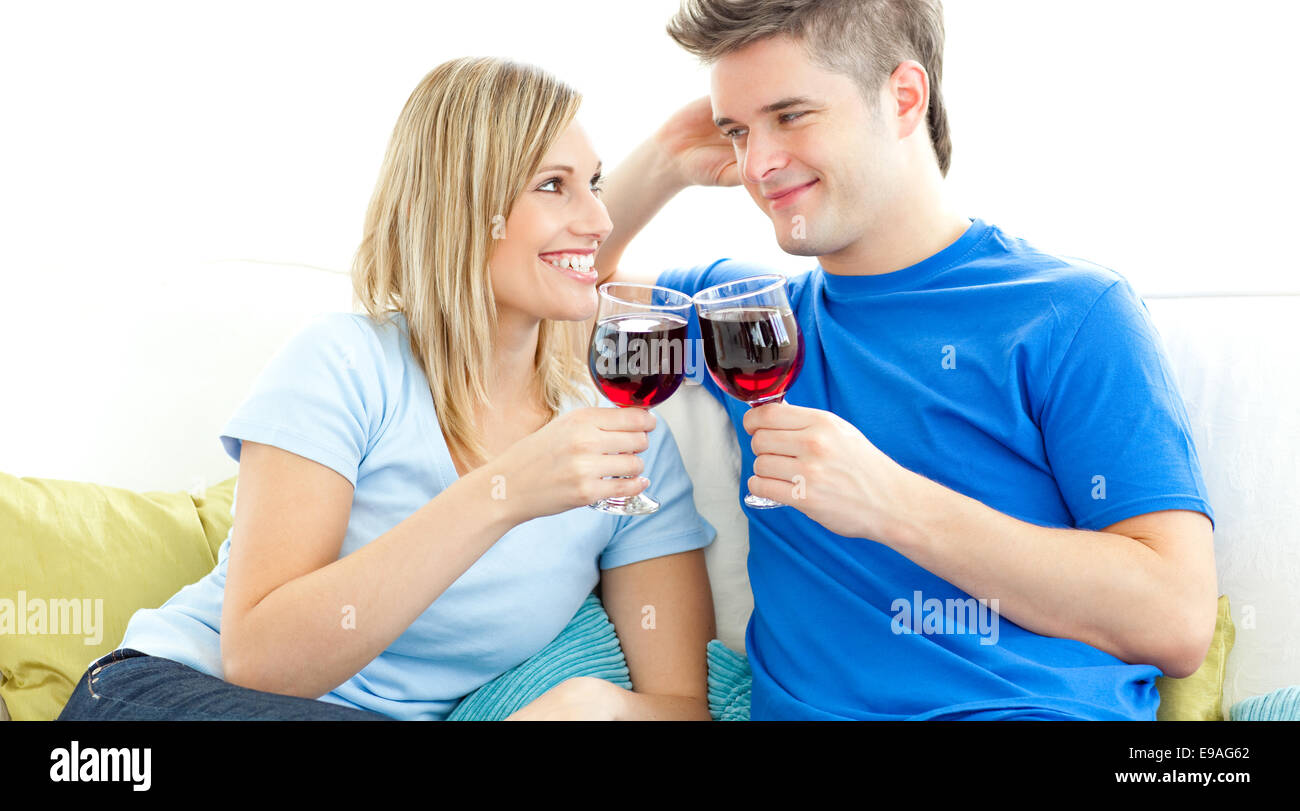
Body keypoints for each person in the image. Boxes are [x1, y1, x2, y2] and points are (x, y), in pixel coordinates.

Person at [597, 0, 1217, 721]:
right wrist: (669, 157)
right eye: (737, 131)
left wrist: (890, 503)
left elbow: (1177, 620)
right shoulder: (752, 323)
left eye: (790, 115)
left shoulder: (1071, 311)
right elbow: (562, 287)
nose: (756, 164)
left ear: (903, 98)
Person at [57, 57, 717, 722]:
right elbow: (259, 660)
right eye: (554, 185)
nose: (600, 220)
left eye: (596, 184)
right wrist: (504, 492)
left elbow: (682, 706)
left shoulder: (623, 440)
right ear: (466, 205)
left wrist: (592, 705)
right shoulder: (344, 365)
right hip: (168, 696)